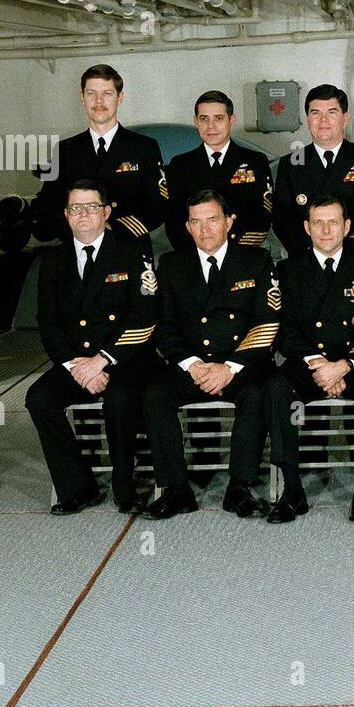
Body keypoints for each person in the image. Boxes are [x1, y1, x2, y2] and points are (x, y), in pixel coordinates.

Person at [140, 190, 278, 520]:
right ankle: (176, 490)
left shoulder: (257, 261)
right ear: (187, 227)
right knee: (154, 395)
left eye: (212, 219)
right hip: (193, 365)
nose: (205, 230)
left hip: (240, 364)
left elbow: (267, 321)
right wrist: (194, 365)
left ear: (230, 222)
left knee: (259, 394)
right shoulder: (171, 265)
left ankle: (240, 488)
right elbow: (164, 326)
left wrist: (229, 367)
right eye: (196, 222)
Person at [26, 180, 159, 515]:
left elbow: (145, 317)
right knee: (39, 398)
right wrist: (76, 367)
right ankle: (78, 487)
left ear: (106, 212)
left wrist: (102, 361)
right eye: (76, 208)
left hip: (125, 360)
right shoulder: (53, 260)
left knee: (120, 398)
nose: (84, 214)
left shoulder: (132, 253)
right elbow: (49, 322)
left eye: (91, 207)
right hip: (76, 362)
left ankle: (125, 486)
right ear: (67, 215)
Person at [265, 195, 354, 524]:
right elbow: (283, 329)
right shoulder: (288, 271)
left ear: (346, 227)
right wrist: (319, 364)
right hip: (309, 365)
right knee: (277, 388)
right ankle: (292, 490)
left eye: (333, 221)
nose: (325, 229)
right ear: (306, 228)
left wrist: (345, 365)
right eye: (317, 222)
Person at [32, 64, 165, 248]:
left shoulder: (144, 147)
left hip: (128, 247)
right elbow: (49, 205)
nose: (99, 101)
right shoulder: (63, 150)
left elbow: (158, 206)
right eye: (91, 93)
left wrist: (109, 229)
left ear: (120, 97)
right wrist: (80, 232)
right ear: (82, 98)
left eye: (107, 93)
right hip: (78, 249)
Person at [272, 84, 354, 254]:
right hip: (305, 264)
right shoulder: (290, 164)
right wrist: (311, 257)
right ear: (307, 118)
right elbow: (282, 221)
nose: (323, 120)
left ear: (345, 118)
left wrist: (347, 258)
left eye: (332, 112)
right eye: (315, 113)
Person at [162, 90, 273, 252]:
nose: (211, 126)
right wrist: (197, 254)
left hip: (242, 254)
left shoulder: (255, 161)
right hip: (195, 256)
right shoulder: (180, 165)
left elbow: (263, 214)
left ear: (232, 120)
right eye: (204, 119)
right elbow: (174, 219)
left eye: (219, 118)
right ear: (195, 121)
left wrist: (235, 254)